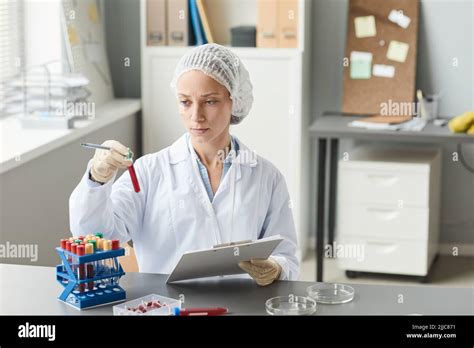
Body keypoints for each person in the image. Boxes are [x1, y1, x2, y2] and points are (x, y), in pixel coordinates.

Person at [69, 43, 299, 286]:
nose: (196, 115)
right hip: (166, 307)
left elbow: (286, 256)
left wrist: (276, 267)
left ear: (235, 101)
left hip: (241, 307)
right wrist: (97, 178)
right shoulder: (148, 172)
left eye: (210, 101)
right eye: (185, 102)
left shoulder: (266, 177)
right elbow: (97, 236)